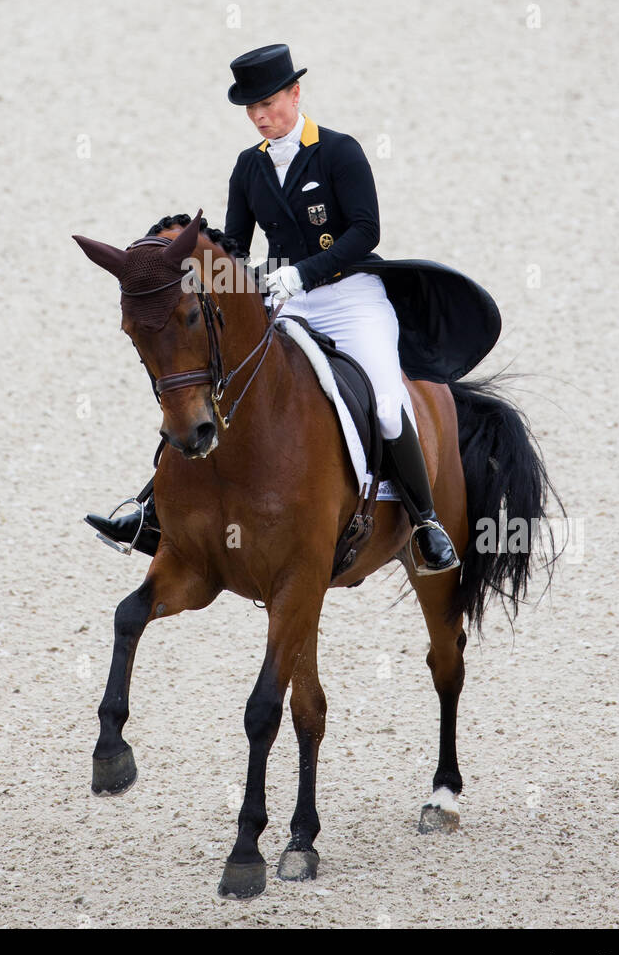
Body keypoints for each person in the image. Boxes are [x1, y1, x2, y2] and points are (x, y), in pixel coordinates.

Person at [85, 43, 459, 574]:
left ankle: (426, 523)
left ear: (296, 93)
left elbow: (366, 231)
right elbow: (235, 243)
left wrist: (302, 272)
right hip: (287, 298)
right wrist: (214, 281)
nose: (261, 117)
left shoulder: (339, 151)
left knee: (381, 397)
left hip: (351, 297)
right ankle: (150, 510)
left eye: (269, 104)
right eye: (251, 109)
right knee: (226, 383)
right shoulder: (248, 168)